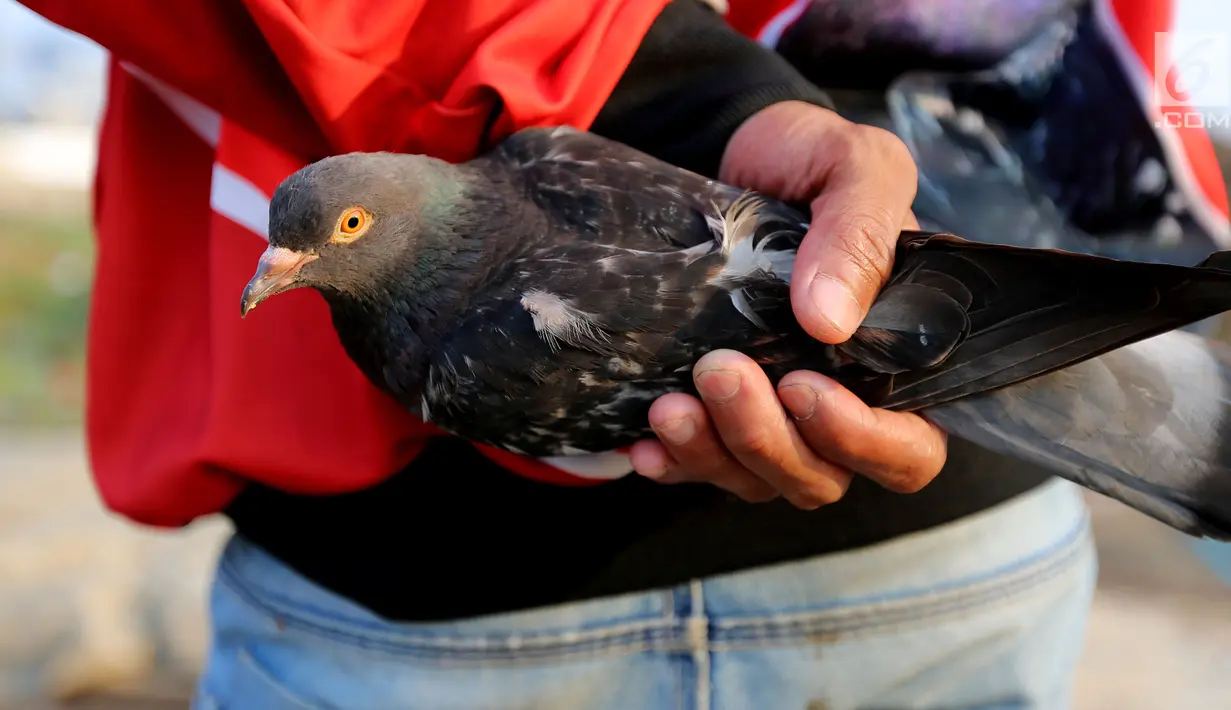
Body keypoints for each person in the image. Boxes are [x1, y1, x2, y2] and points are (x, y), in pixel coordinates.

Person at [22, 0, 1094, 707]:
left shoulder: (461, 334)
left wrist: (685, 92)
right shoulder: (492, 179)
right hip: (955, 542)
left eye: (331, 238)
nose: (281, 268)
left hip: (421, 625)